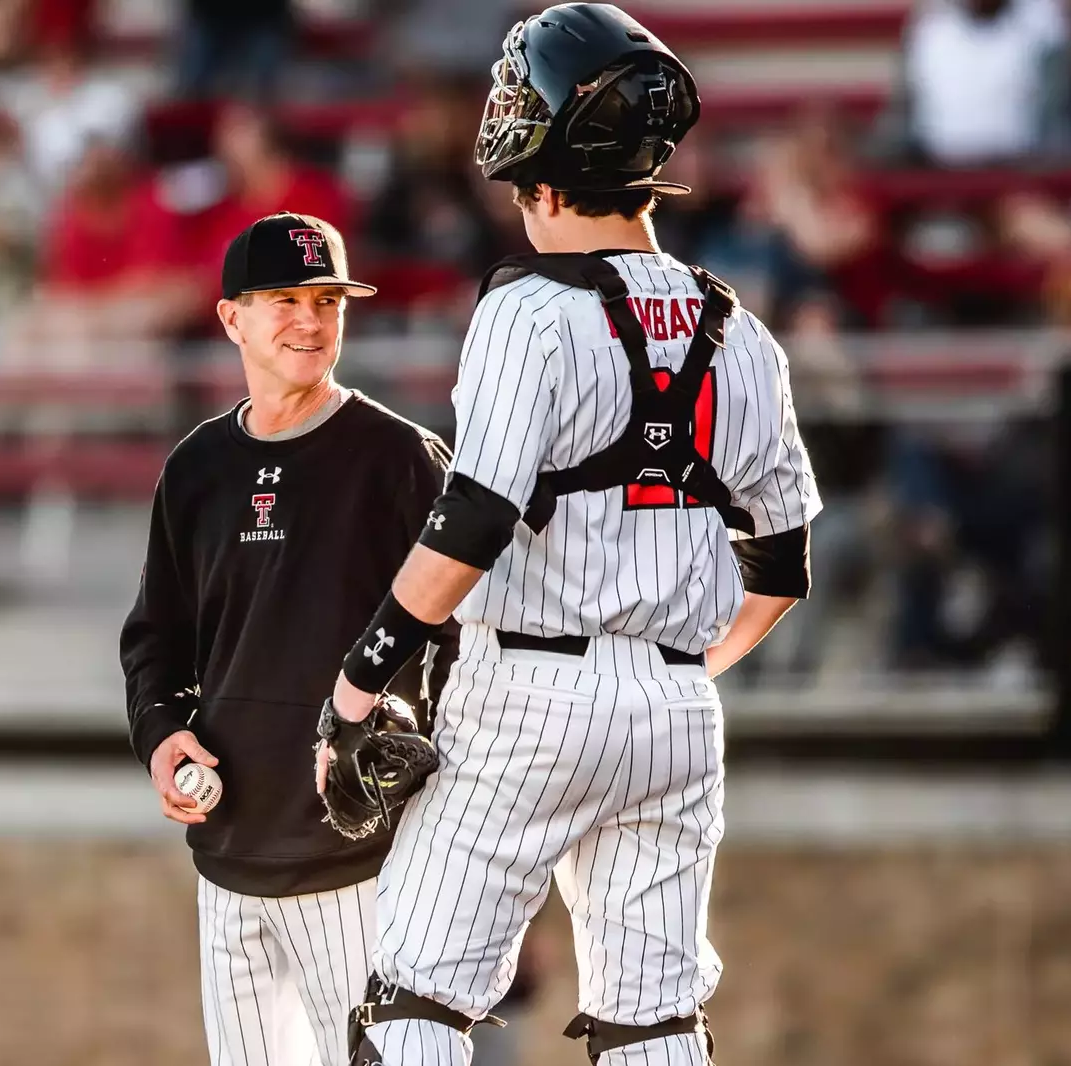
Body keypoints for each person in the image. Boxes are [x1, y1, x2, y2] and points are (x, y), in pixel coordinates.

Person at [310, 7, 822, 1065]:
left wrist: (356, 688)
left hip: (529, 696)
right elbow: (778, 563)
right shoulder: (746, 331)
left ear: (533, 159)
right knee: (652, 1019)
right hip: (678, 707)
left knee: (416, 998)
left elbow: (472, 519)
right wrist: (677, 672)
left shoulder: (524, 312)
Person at [119, 213, 456, 1066]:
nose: (310, 320)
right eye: (284, 300)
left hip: (363, 862)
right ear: (232, 318)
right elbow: (156, 638)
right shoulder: (196, 467)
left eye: (326, 300)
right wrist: (162, 737)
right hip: (227, 856)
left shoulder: (400, 458)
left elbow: (469, 647)